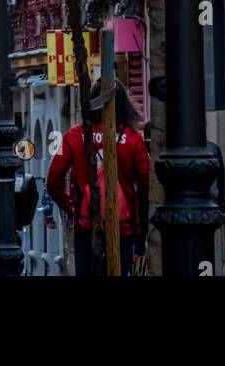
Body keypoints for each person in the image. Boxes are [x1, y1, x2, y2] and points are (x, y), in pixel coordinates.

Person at [46, 78, 151, 277]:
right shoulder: (134, 139)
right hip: (124, 228)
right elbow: (147, 186)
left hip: (86, 225)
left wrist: (72, 207)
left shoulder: (74, 136)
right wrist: (141, 232)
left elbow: (53, 181)